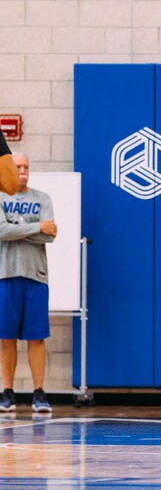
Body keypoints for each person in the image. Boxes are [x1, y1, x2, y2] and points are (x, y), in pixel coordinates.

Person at [0, 153, 57, 413]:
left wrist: (16, 228)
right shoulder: (0, 197)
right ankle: (7, 392)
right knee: (6, 337)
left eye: (26, 167)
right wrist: (36, 227)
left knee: (36, 337)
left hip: (36, 276)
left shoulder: (42, 199)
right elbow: (1, 231)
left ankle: (39, 392)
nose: (23, 171)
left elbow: (50, 237)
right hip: (6, 275)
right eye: (18, 167)